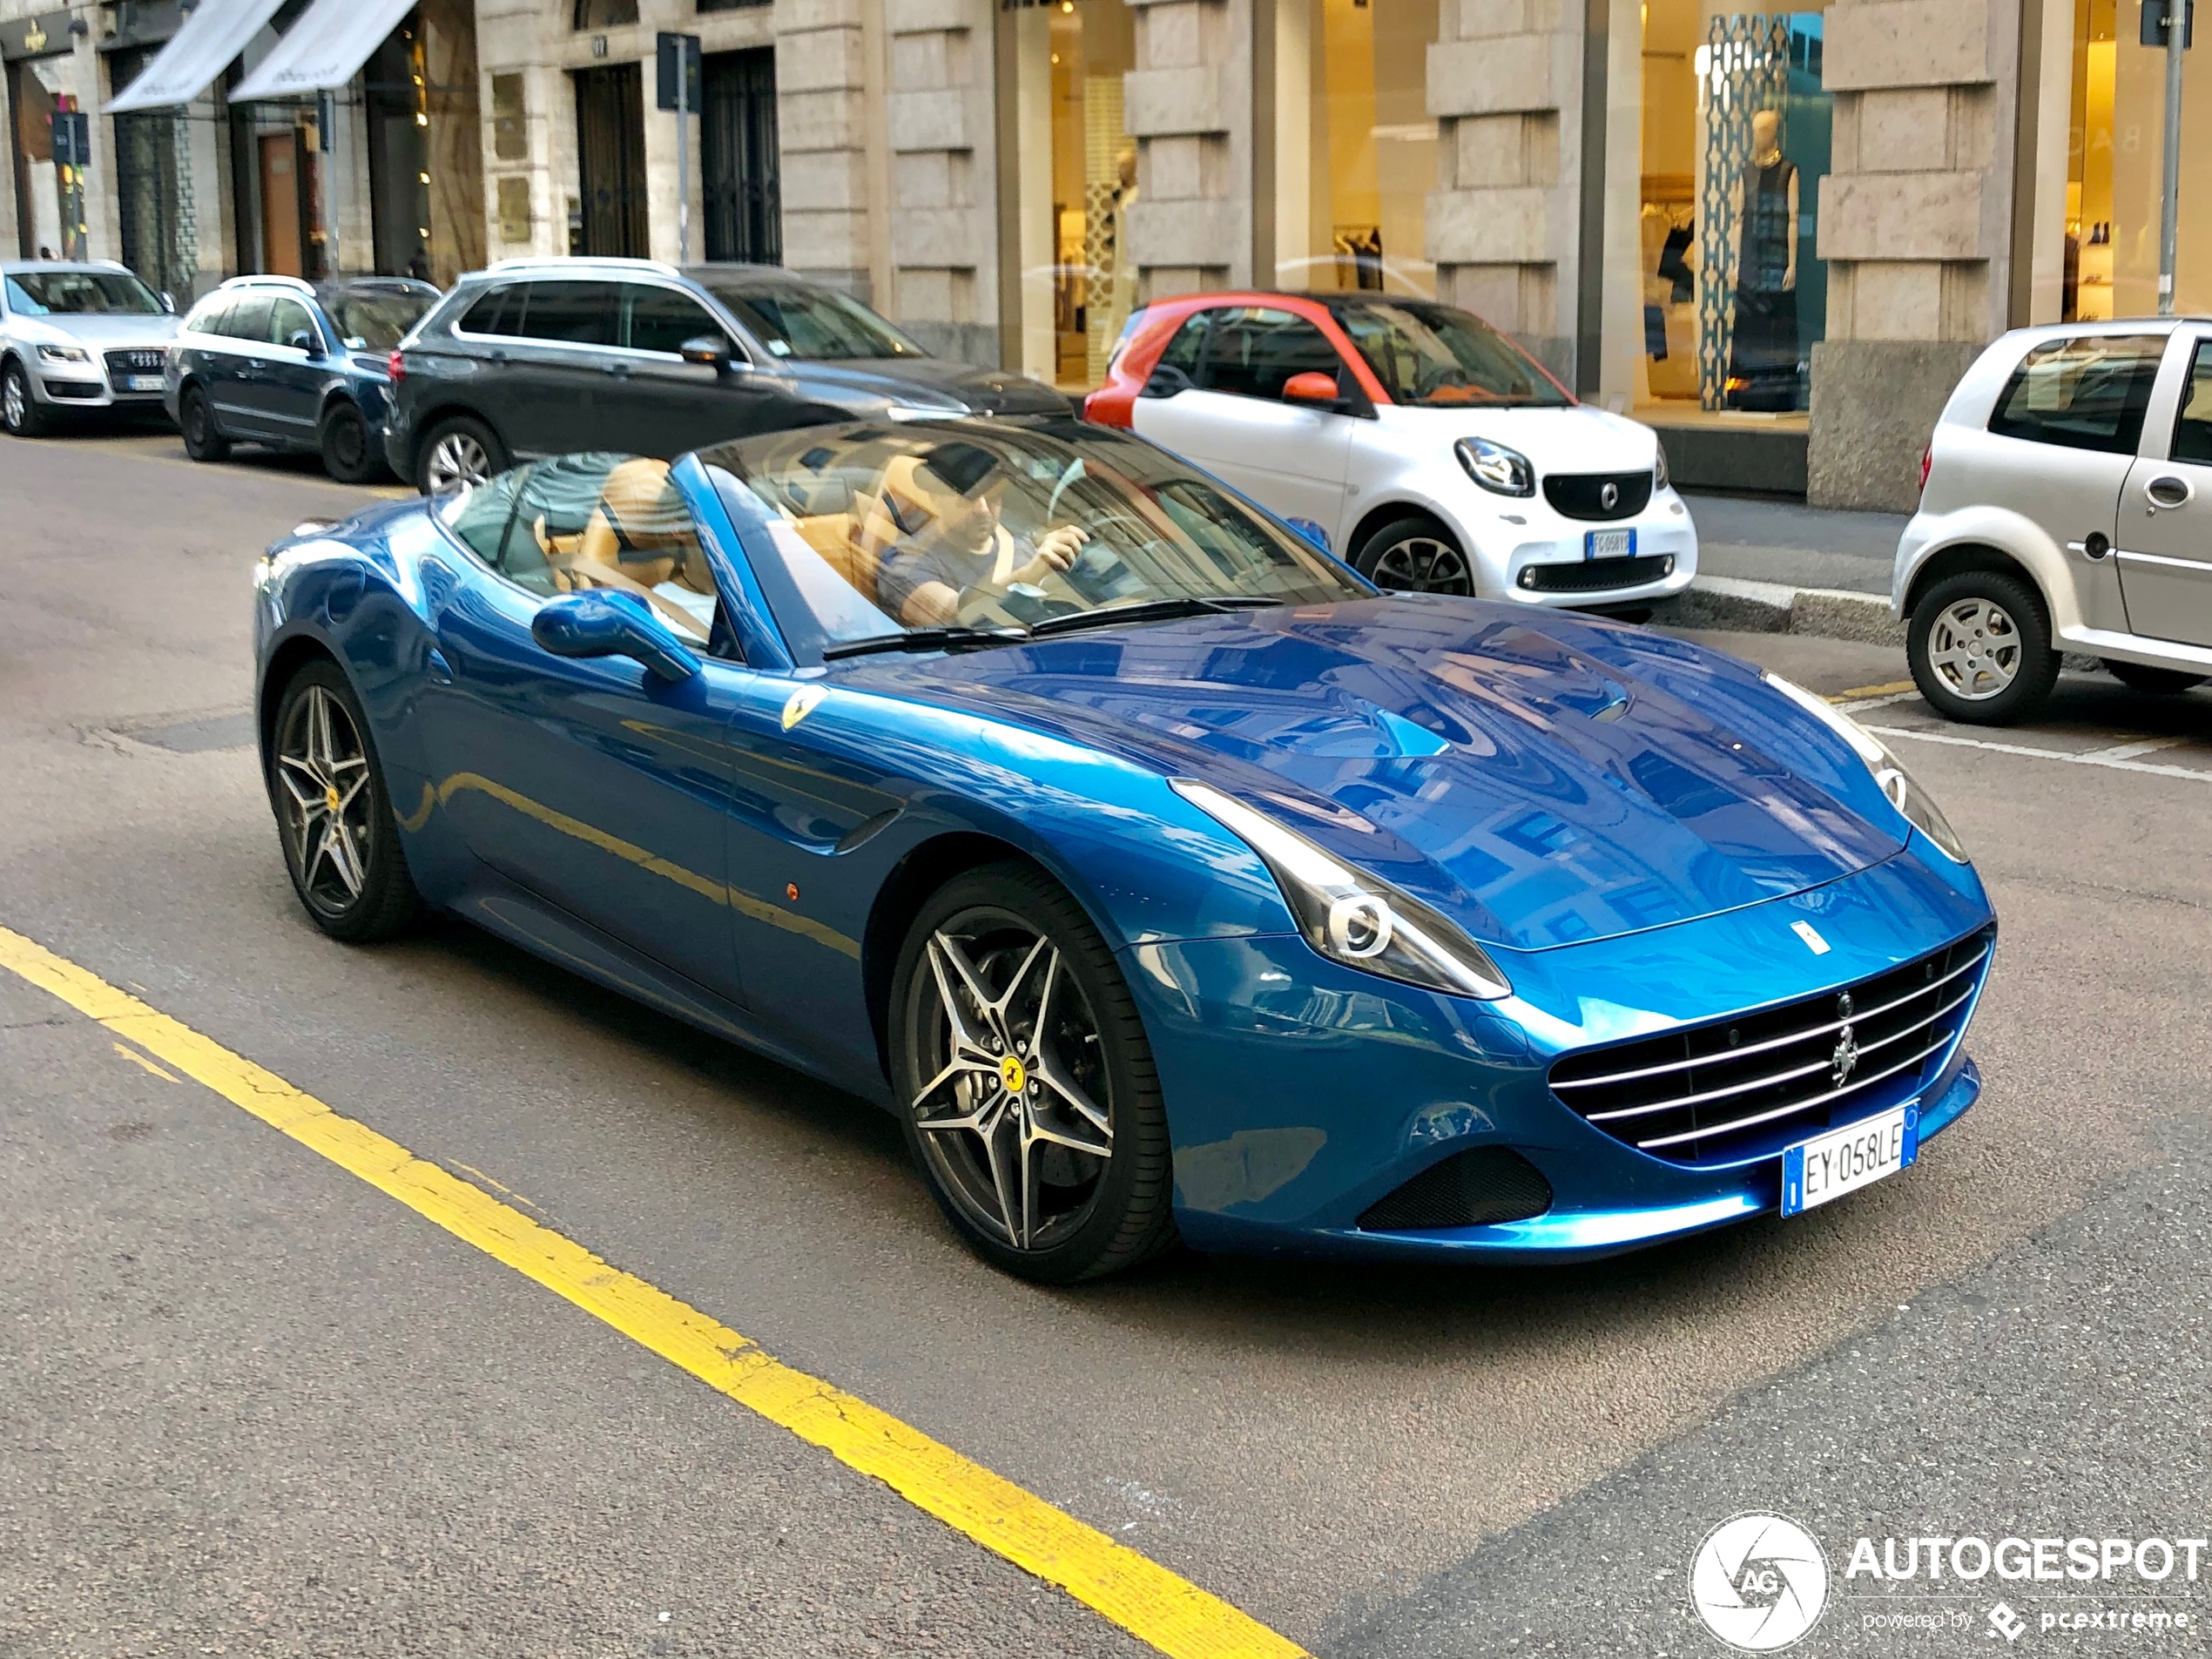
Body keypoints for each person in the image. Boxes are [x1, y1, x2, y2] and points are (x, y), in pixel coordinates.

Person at [873, 442, 1088, 627]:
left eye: (993, 497)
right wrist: (1027, 577)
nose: (983, 510)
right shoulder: (904, 563)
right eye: (968, 499)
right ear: (936, 498)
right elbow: (951, 616)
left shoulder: (1025, 547)